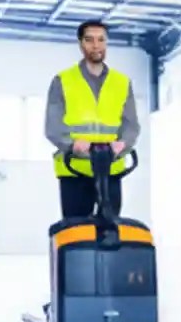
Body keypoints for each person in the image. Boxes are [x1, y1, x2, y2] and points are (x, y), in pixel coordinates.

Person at [45, 19, 141, 220]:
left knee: (111, 228)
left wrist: (122, 145)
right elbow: (53, 126)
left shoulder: (121, 82)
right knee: (76, 230)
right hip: (75, 169)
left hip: (111, 168)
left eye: (101, 40)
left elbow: (131, 124)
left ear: (106, 43)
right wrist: (71, 145)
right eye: (89, 40)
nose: (96, 45)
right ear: (81, 44)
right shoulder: (63, 80)